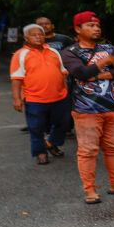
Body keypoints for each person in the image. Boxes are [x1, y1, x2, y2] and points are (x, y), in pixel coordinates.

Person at [61, 11, 114, 204]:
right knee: (88, 151)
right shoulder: (70, 52)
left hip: (113, 106)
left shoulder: (108, 47)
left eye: (97, 26)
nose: (96, 29)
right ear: (78, 29)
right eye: (90, 25)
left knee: (113, 149)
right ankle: (90, 191)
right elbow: (80, 72)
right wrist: (104, 63)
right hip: (86, 110)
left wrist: (98, 75)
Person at [10, 24, 69, 165]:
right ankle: (40, 152)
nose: (38, 37)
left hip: (59, 96)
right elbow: (16, 79)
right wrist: (17, 99)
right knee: (36, 127)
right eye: (34, 34)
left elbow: (63, 73)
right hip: (34, 98)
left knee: (64, 123)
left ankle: (51, 142)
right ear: (26, 37)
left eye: (40, 34)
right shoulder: (21, 54)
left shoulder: (54, 52)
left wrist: (66, 92)